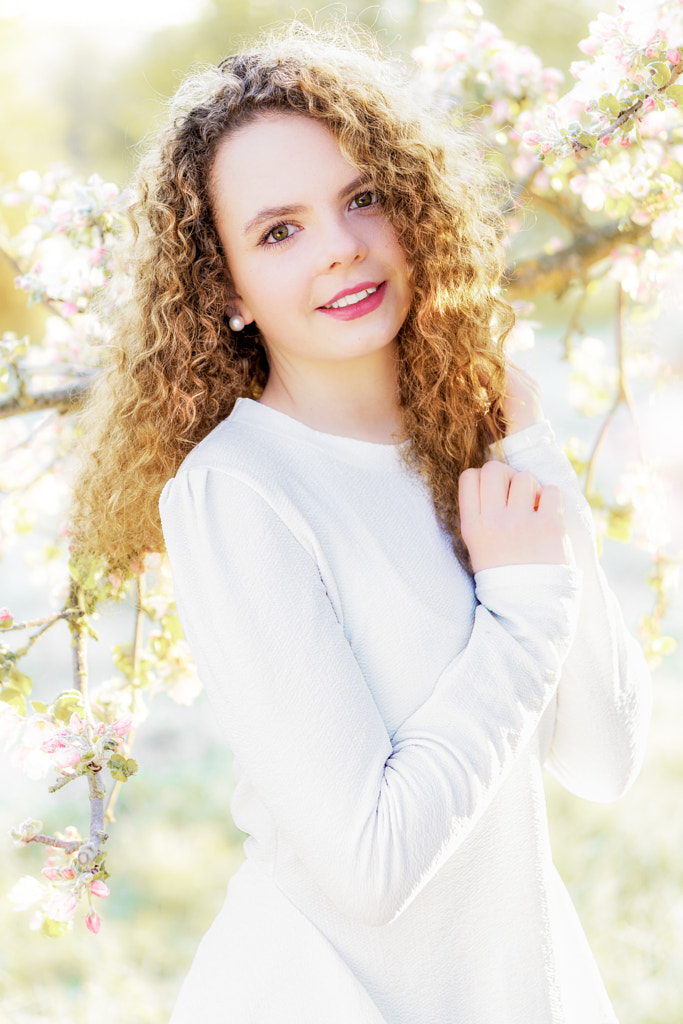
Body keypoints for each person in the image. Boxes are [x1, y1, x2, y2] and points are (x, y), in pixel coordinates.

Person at [71, 23, 652, 1024]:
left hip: (517, 987)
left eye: (362, 198)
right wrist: (517, 609)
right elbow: (368, 865)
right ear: (226, 289)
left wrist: (529, 447)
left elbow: (601, 758)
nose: (340, 246)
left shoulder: (475, 442)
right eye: (278, 230)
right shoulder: (236, 493)